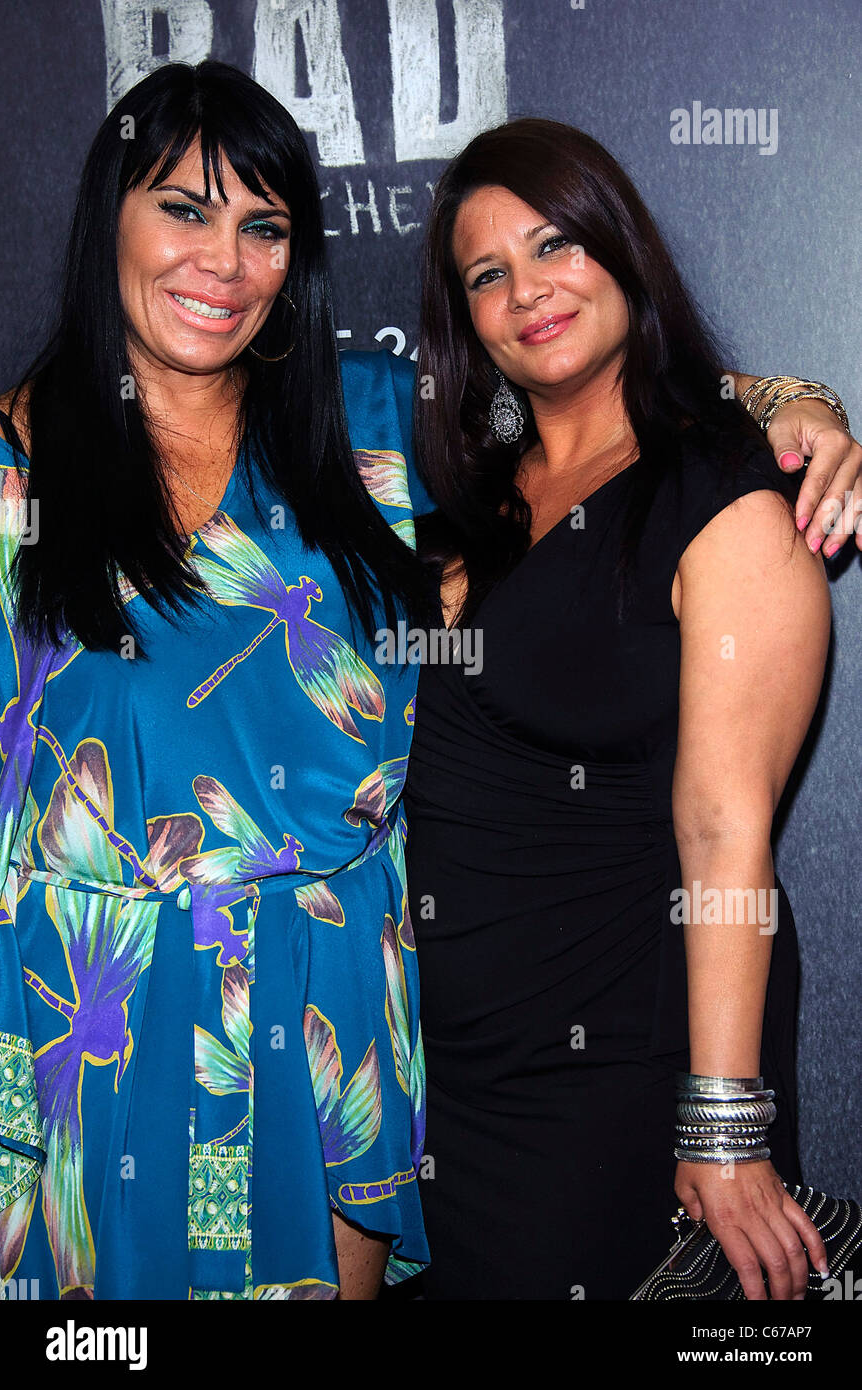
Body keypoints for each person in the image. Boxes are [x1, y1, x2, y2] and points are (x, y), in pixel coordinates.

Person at [0, 61, 432, 1300]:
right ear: (108, 222)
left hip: (317, 1019)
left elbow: (615, 422)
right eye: (183, 210)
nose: (223, 263)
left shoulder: (378, 431)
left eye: (263, 227)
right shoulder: (8, 468)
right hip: (90, 1025)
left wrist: (788, 405)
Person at [402, 117, 855, 1300]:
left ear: (619, 247)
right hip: (451, 1082)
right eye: (486, 275)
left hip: (617, 1072)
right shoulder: (463, 500)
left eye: (555, 246)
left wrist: (720, 1123)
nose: (527, 291)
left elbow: (723, 831)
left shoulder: (724, 500)